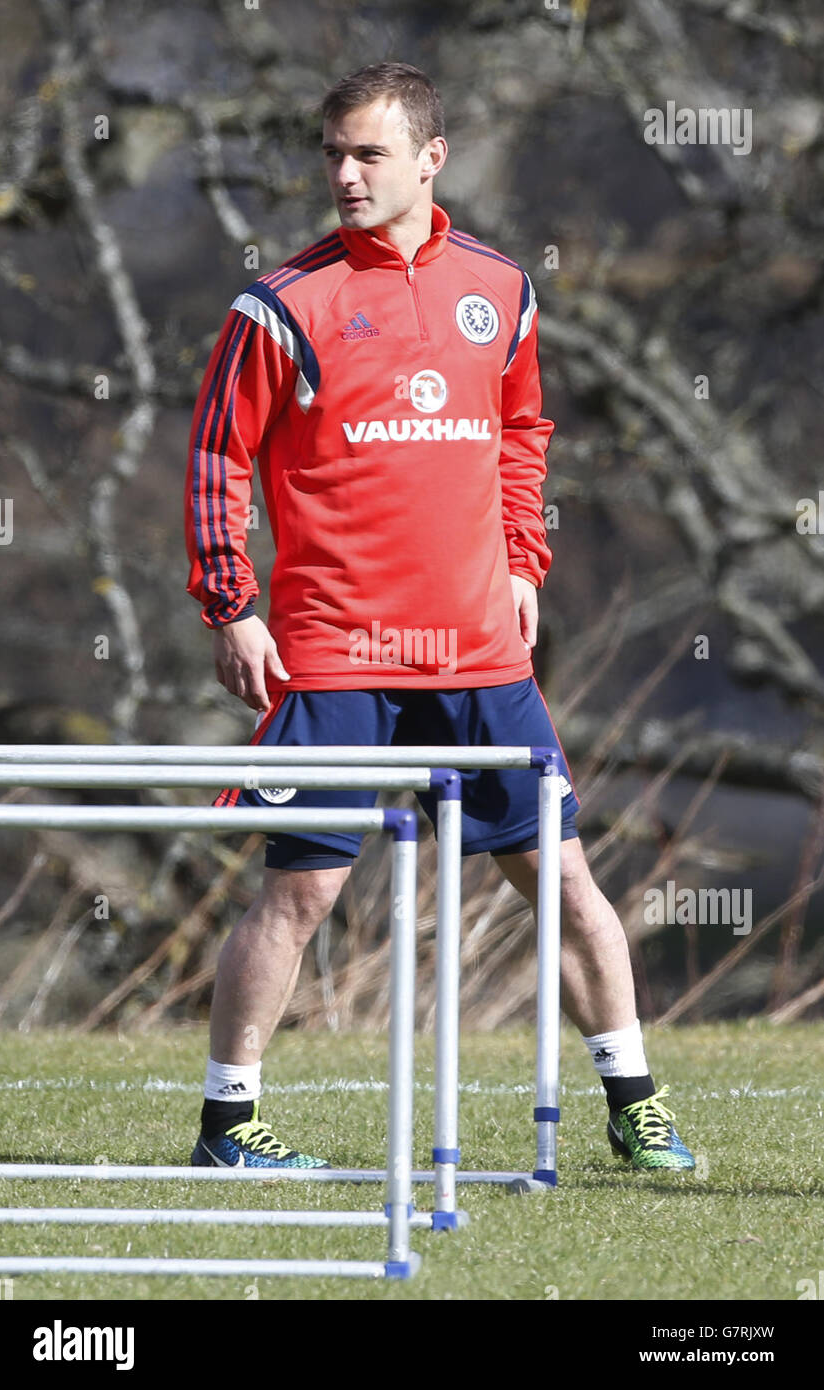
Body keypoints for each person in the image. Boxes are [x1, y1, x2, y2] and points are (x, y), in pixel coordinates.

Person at [184, 62, 694, 1173]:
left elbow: (524, 437)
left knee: (561, 880)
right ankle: (229, 1124)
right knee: (302, 889)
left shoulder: (502, 290)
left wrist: (524, 558)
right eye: (332, 153)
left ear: (431, 158)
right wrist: (233, 603)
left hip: (477, 648)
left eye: (368, 153)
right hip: (334, 650)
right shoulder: (280, 303)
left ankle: (634, 1101)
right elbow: (218, 452)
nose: (346, 174)